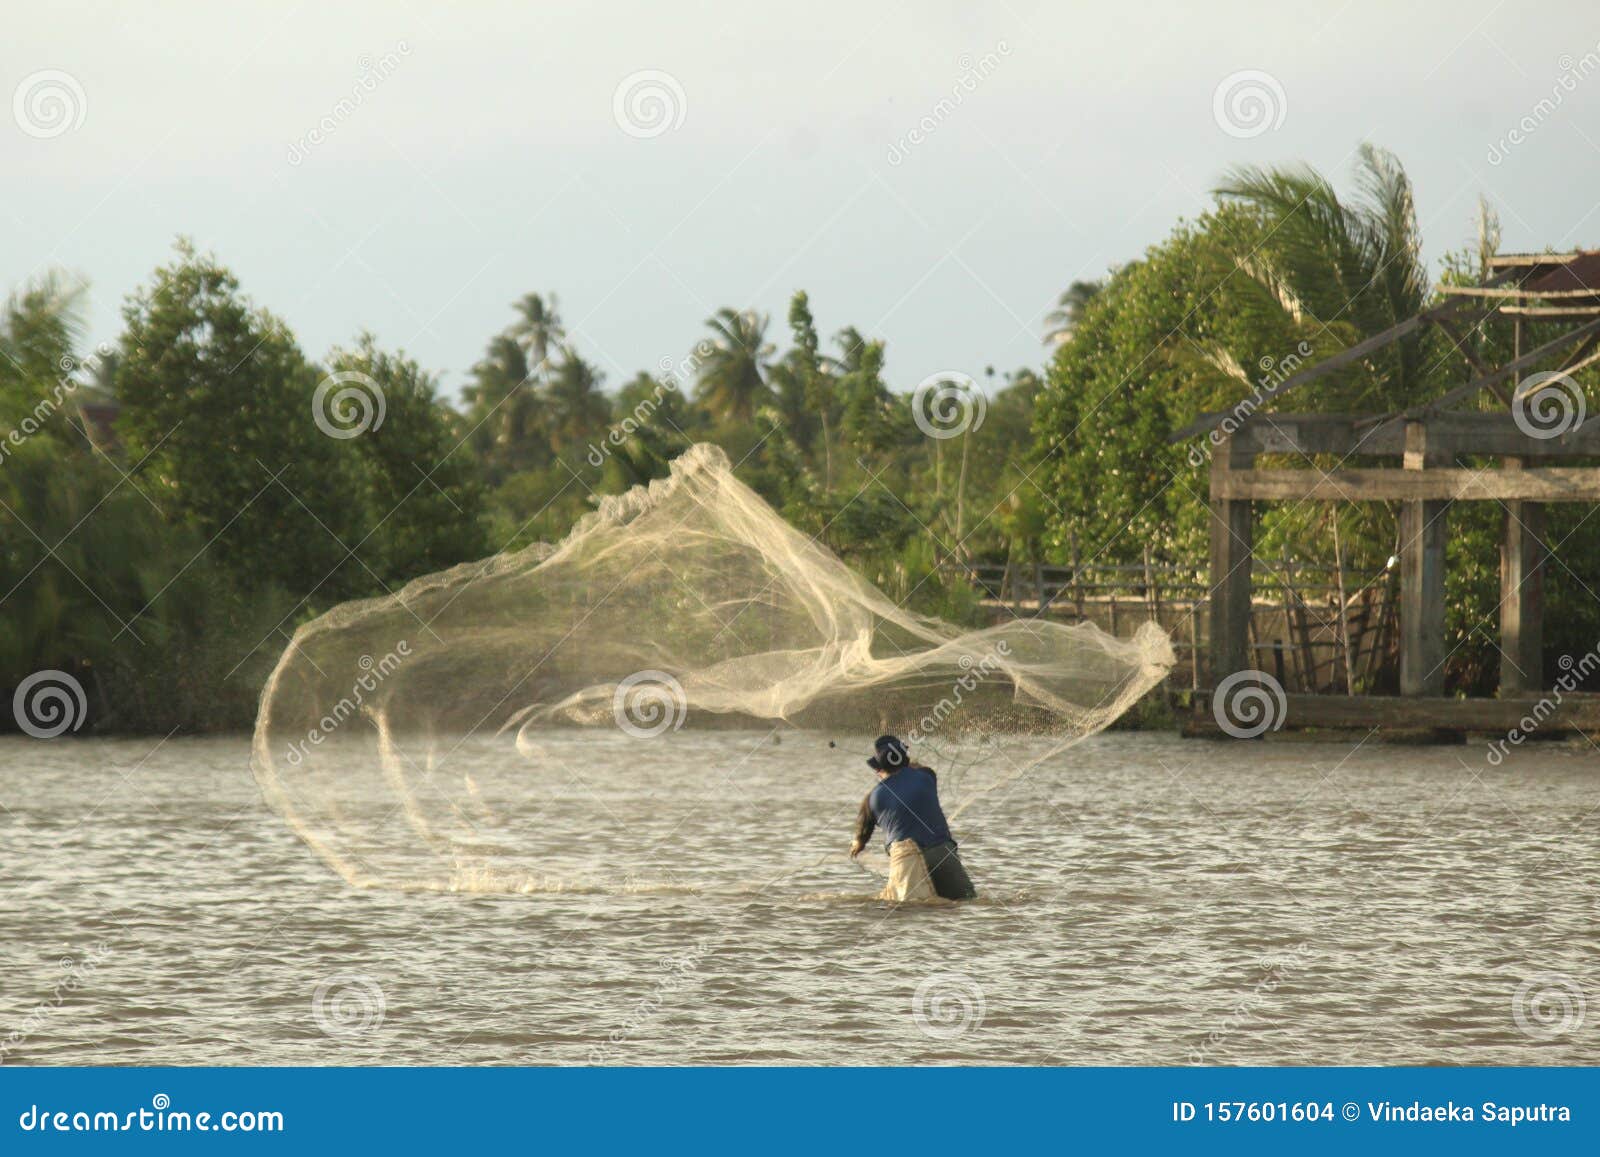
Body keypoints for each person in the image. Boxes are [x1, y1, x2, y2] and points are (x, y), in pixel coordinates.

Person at [849, 734, 977, 901]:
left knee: (908, 910)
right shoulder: (926, 777)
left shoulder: (872, 798)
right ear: (905, 758)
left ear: (878, 768)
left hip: (906, 860)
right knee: (965, 901)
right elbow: (915, 769)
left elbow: (861, 836)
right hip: (941, 854)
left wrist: (857, 845)